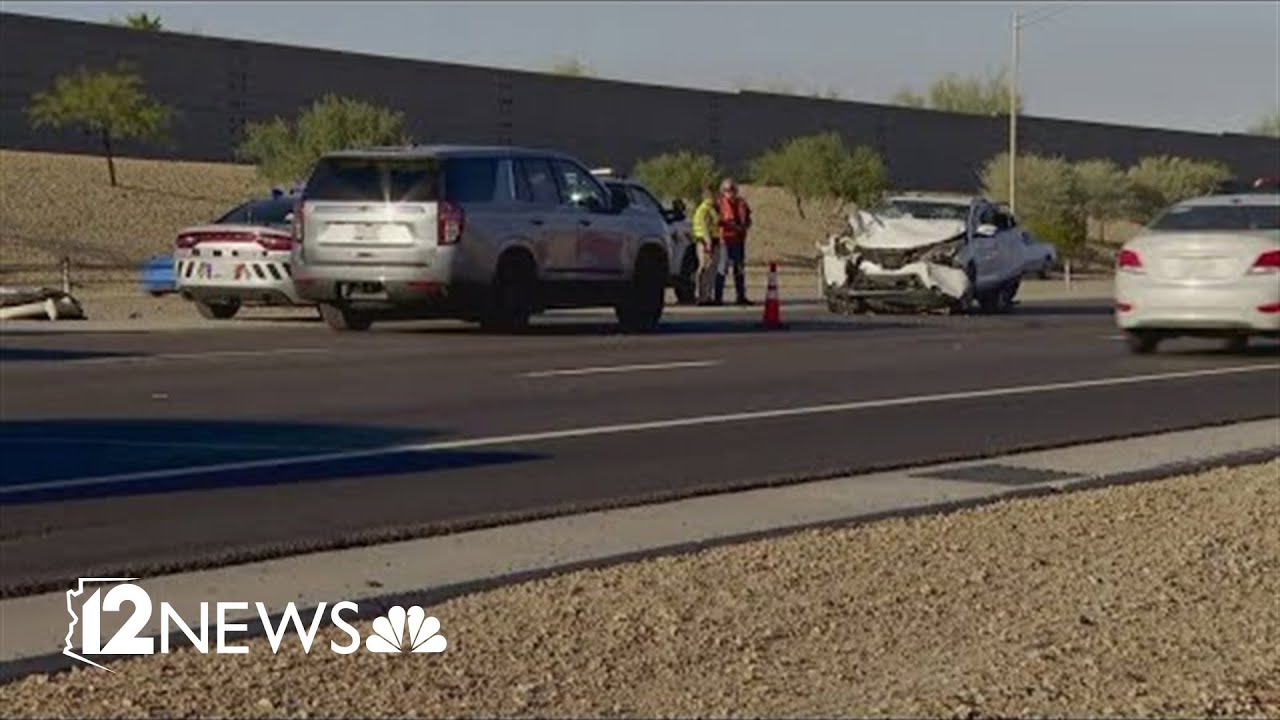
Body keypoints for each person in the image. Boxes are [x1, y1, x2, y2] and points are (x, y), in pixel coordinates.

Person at [715, 177, 753, 305]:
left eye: (731, 189)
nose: (729, 192)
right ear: (722, 191)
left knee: (739, 268)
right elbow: (717, 221)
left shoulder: (741, 203)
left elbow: (748, 219)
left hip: (739, 239)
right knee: (722, 268)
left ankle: (741, 296)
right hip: (725, 239)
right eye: (726, 190)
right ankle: (718, 298)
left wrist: (744, 226)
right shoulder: (719, 204)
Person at [690, 183, 720, 305]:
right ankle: (703, 296)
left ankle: (706, 296)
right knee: (706, 269)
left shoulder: (707, 208)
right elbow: (706, 227)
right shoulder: (706, 209)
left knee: (708, 270)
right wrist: (709, 244)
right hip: (707, 242)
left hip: (708, 241)